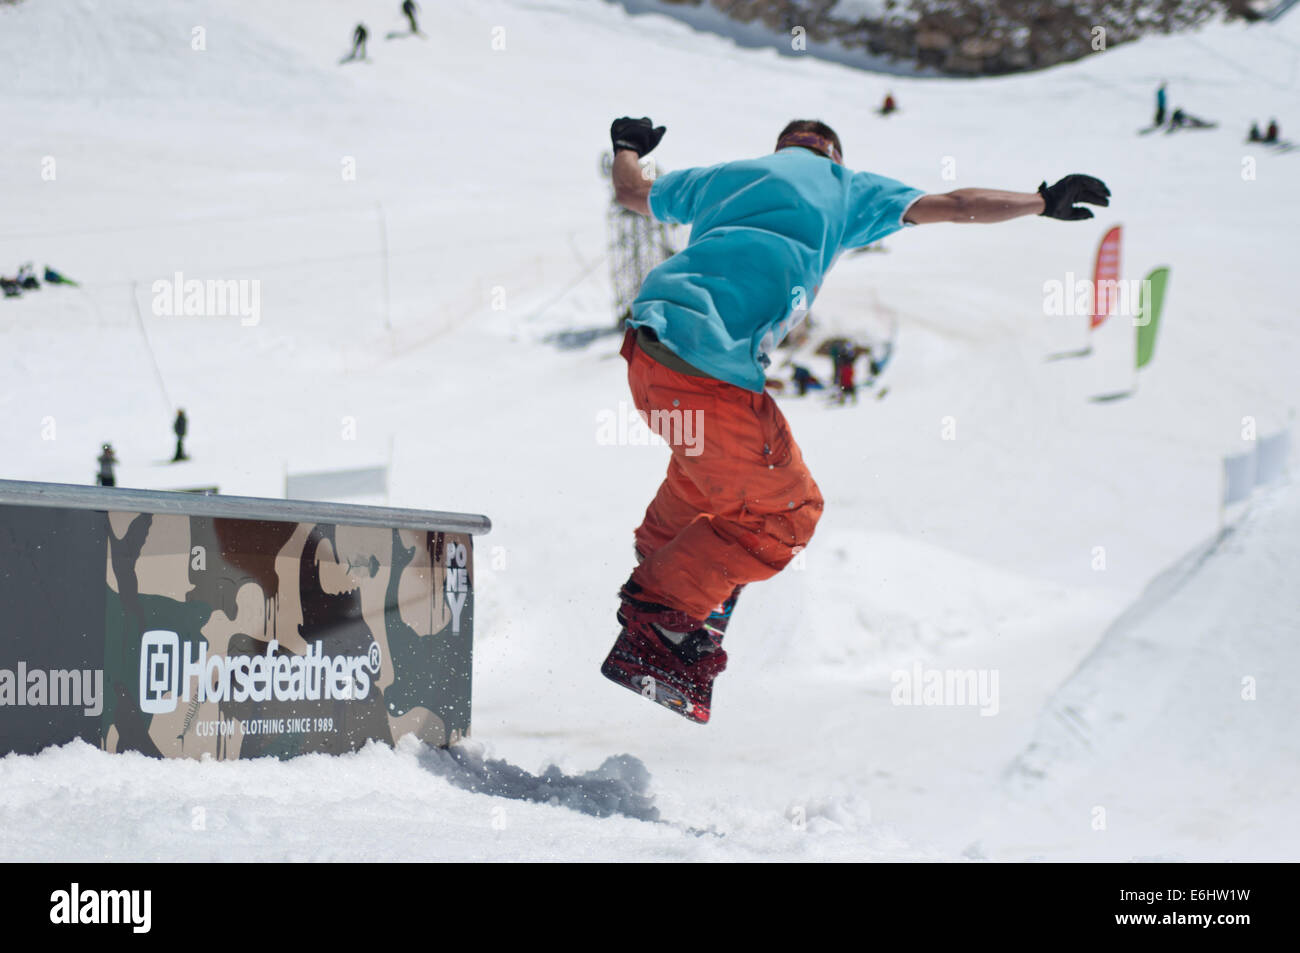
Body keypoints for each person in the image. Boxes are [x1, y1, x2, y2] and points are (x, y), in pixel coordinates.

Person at [603, 115, 1109, 722]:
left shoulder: (726, 177)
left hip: (647, 353)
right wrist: (1042, 201)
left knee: (710, 472)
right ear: (834, 155)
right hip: (711, 373)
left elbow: (631, 191)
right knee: (787, 513)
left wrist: (628, 146)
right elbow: (957, 204)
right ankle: (659, 620)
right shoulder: (848, 188)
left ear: (782, 148)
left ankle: (664, 552)